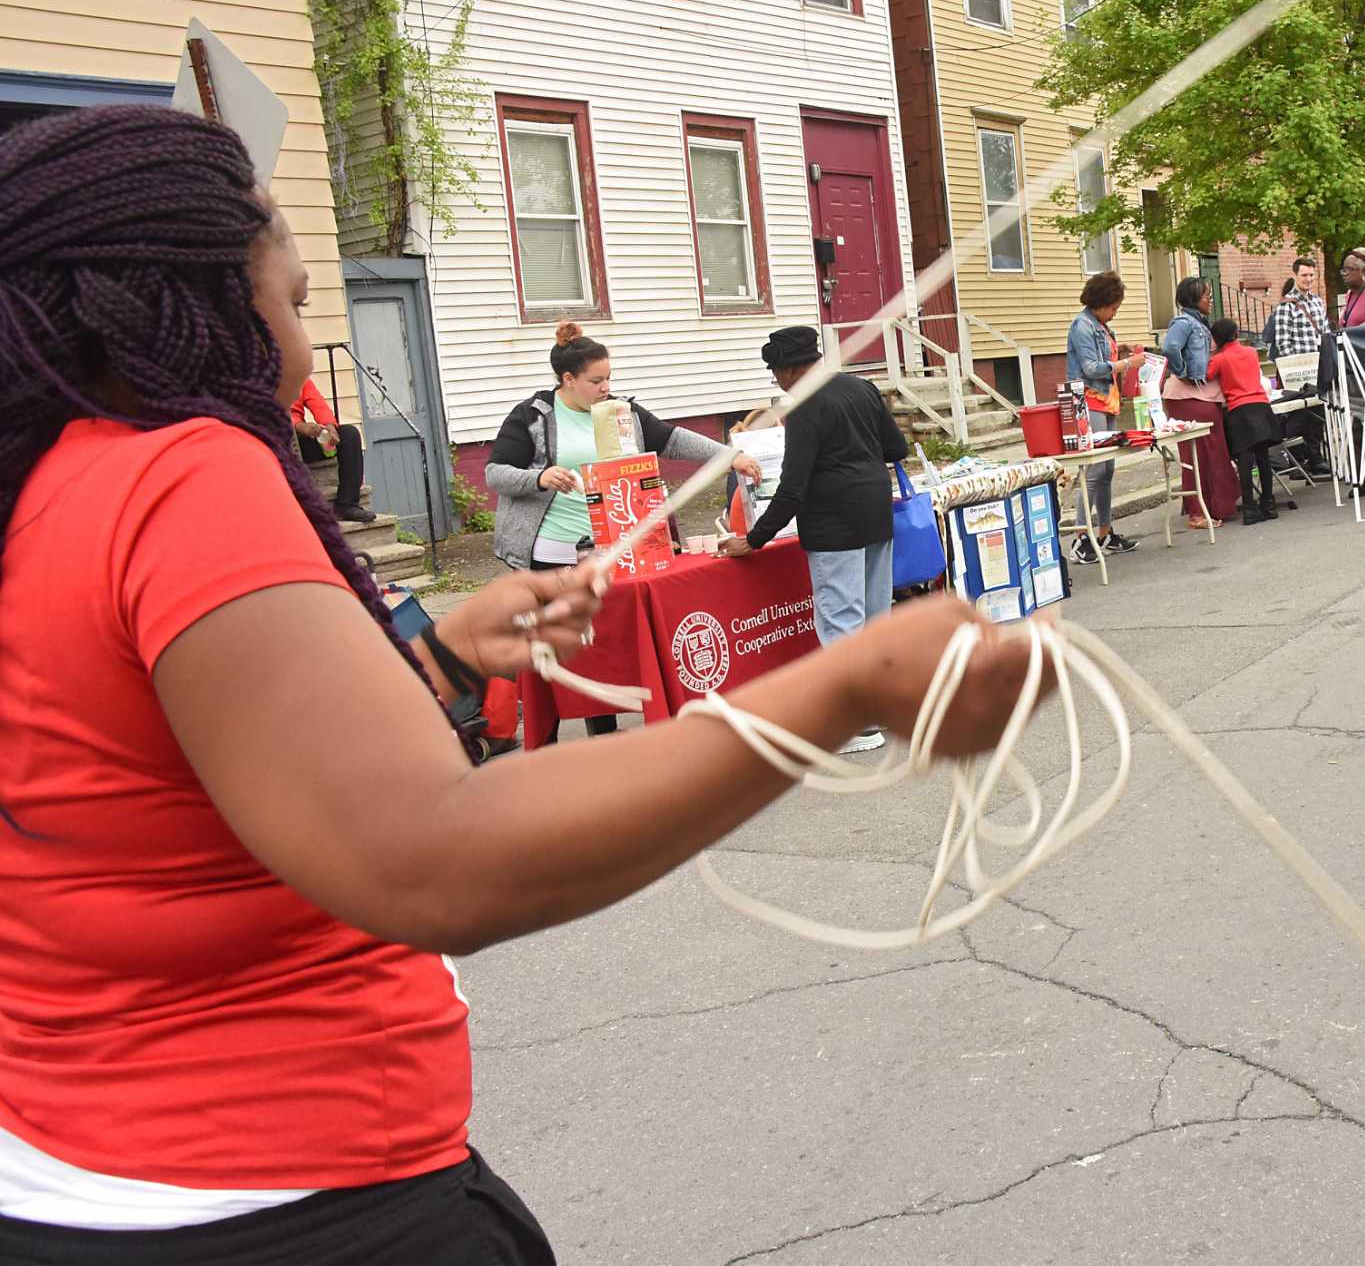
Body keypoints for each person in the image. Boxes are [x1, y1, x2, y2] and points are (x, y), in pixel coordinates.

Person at [0, 105, 1038, 1265]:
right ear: (184, 303)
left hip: (87, 1167)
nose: (303, 336)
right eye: (294, 302)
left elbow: (187, 770)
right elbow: (429, 856)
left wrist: (437, 659)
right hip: (282, 1200)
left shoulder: (53, 485)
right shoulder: (184, 472)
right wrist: (840, 689)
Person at [486, 323, 759, 741]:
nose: (606, 387)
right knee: (552, 641)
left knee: (601, 643)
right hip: (549, 549)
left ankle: (605, 736)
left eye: (609, 378)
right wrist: (539, 478)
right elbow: (496, 473)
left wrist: (730, 456)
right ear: (568, 380)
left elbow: (672, 439)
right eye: (596, 380)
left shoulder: (619, 412)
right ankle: (544, 737)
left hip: (607, 546)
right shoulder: (534, 416)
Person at [721, 326, 909, 754]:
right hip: (876, 513)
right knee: (876, 616)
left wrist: (755, 538)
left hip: (833, 523)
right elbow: (895, 447)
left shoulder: (804, 405)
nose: (777, 381)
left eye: (775, 373)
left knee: (842, 619)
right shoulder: (861, 387)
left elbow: (793, 486)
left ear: (789, 369)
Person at [1065, 271, 1145, 564]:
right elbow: (1090, 367)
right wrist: (1125, 363)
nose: (1114, 313)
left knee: (1107, 470)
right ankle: (1081, 537)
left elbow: (1102, 356)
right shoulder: (1083, 325)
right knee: (1094, 470)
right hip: (1089, 400)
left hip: (1106, 400)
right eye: (1112, 308)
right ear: (1100, 302)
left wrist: (1118, 348)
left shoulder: (1099, 325)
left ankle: (1105, 531)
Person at [1159, 275, 1240, 529]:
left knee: (1213, 449)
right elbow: (1171, 348)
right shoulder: (1184, 322)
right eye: (1207, 296)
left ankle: (1214, 505)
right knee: (1199, 452)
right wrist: (1184, 372)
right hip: (1189, 396)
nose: (1210, 300)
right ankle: (1198, 512)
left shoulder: (1199, 323)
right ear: (1195, 299)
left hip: (1202, 394)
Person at [1208, 318, 1293, 525]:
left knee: (1245, 462)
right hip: (1261, 406)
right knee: (1263, 457)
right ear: (1236, 333)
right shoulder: (1251, 353)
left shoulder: (1219, 359)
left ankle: (1249, 508)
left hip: (1239, 410)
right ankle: (1268, 503)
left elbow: (1207, 376)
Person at [288, 377, 375, 523]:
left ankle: (347, 505)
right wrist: (298, 426)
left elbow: (318, 403)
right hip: (279, 440)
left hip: (302, 442)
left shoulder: (297, 373)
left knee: (349, 434)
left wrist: (330, 425)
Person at [1270, 256, 1331, 367]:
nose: (1308, 279)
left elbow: (1326, 334)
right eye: (1304, 275)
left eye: (1311, 275)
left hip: (1322, 364)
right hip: (1301, 368)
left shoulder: (1318, 302)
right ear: (1295, 276)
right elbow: (1283, 343)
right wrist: (1296, 368)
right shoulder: (1286, 305)